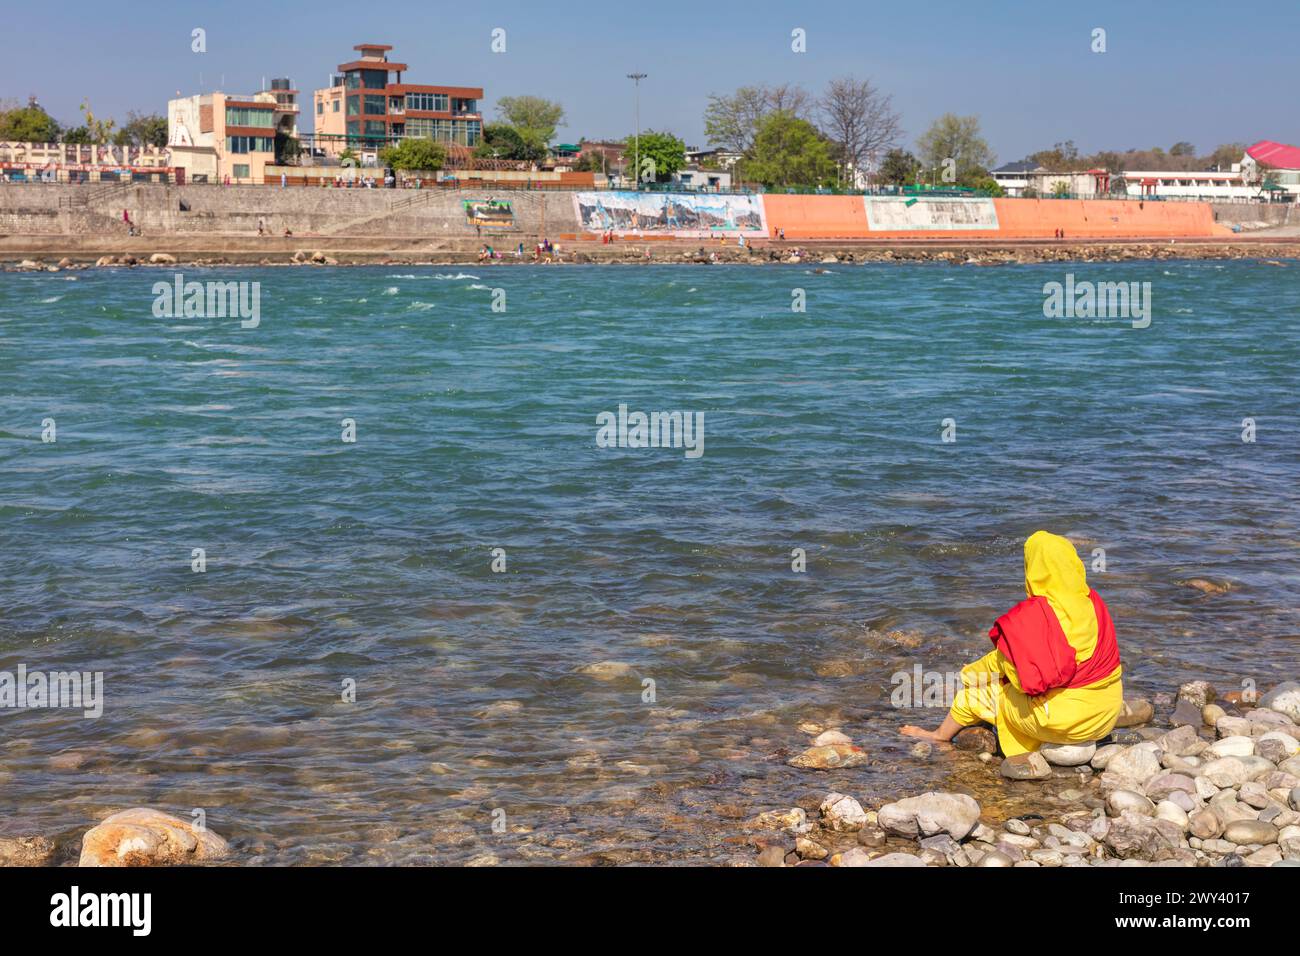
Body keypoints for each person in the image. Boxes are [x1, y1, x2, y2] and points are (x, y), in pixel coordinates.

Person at [901, 531, 1123, 759]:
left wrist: (967, 676)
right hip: (1106, 715)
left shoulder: (1035, 615)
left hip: (1065, 724)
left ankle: (939, 736)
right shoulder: (1093, 602)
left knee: (973, 695)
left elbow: (1001, 664)